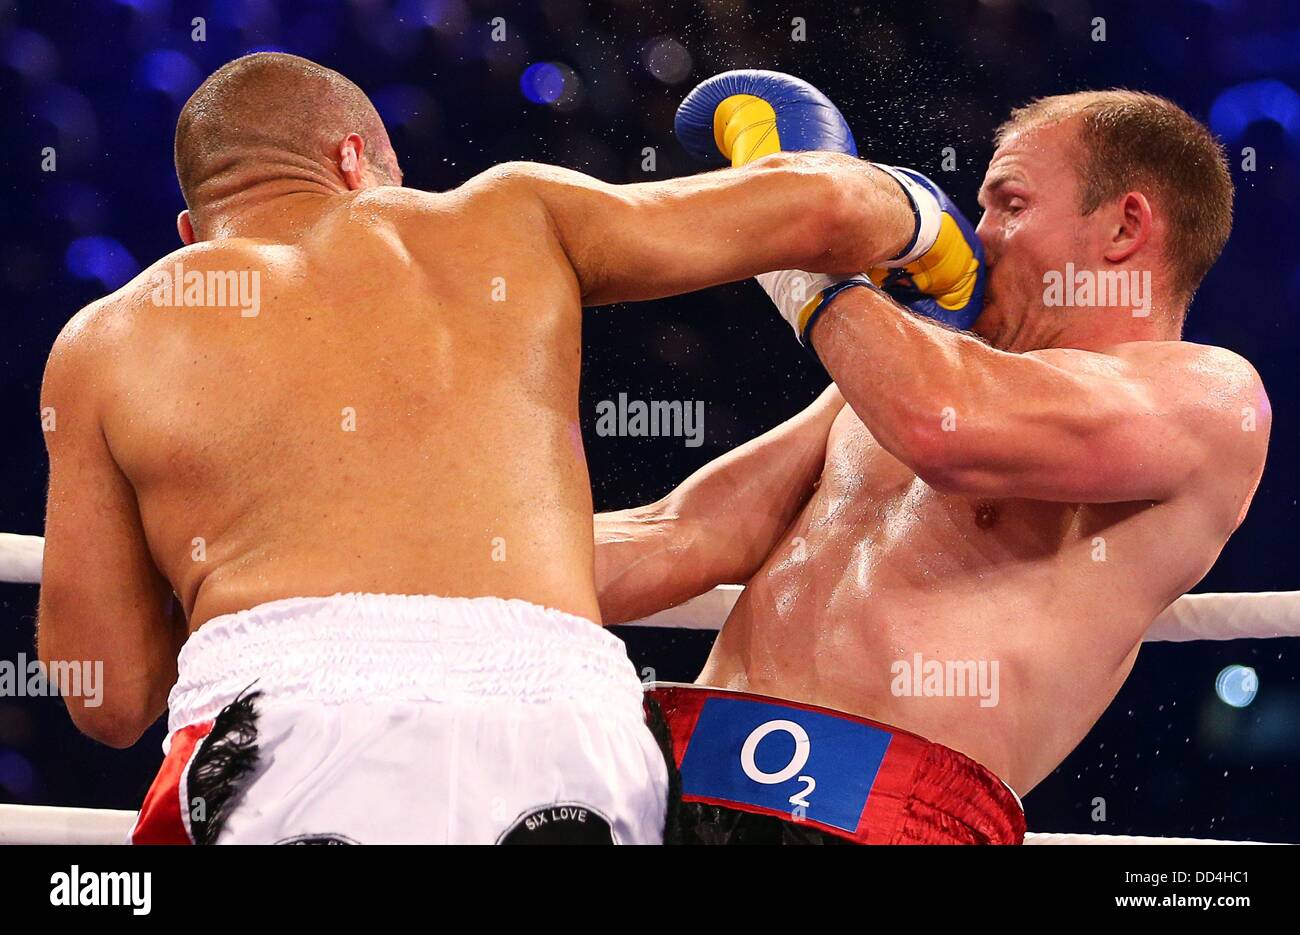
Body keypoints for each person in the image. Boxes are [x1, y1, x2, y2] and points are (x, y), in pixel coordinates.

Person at [37, 54, 908, 844]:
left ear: (194, 230)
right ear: (355, 162)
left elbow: (106, 697)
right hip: (563, 735)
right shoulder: (507, 212)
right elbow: (835, 203)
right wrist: (916, 222)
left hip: (278, 742)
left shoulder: (106, 339)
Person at [597, 74, 1270, 844]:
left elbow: (945, 429)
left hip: (885, 812)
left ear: (1123, 228)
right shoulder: (898, 379)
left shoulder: (1210, 397)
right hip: (678, 773)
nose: (976, 235)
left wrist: (800, 249)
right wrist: (445, 573)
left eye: (1010, 205)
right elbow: (679, 531)